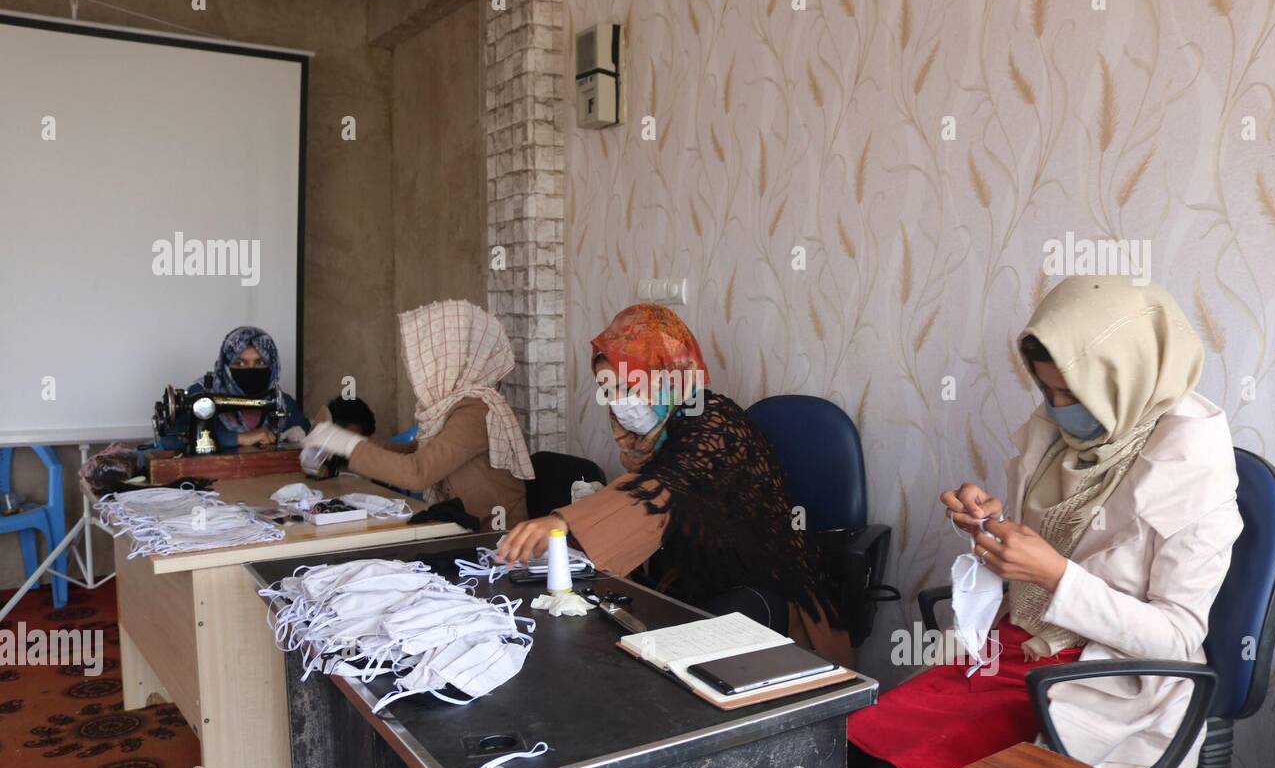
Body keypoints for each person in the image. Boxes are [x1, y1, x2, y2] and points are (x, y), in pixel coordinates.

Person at [844, 277, 1243, 768]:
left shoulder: (1195, 471)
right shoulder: (1068, 436)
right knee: (838, 754)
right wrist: (989, 528)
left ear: (1123, 381)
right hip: (1016, 645)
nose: (1057, 410)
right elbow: (1065, 540)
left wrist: (1054, 574)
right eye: (1047, 391)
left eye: (1070, 395)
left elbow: (1177, 636)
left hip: (1099, 676)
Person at [497, 303, 853, 668]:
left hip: (767, 591)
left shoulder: (715, 422)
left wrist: (566, 523)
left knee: (663, 666)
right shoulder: (654, 437)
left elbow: (669, 487)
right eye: (608, 388)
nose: (619, 402)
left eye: (628, 385)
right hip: (693, 585)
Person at [300, 300, 532, 527]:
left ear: (453, 358)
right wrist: (347, 447)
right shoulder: (452, 405)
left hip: (494, 543)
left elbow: (418, 472)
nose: (418, 370)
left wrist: (348, 444)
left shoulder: (477, 410)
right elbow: (418, 451)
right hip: (463, 530)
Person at [177, 325, 310, 450]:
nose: (251, 370)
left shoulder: (281, 403)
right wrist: (239, 438)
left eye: (260, 362)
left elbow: (308, 435)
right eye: (239, 363)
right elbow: (170, 441)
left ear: (272, 367)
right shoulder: (201, 396)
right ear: (225, 366)